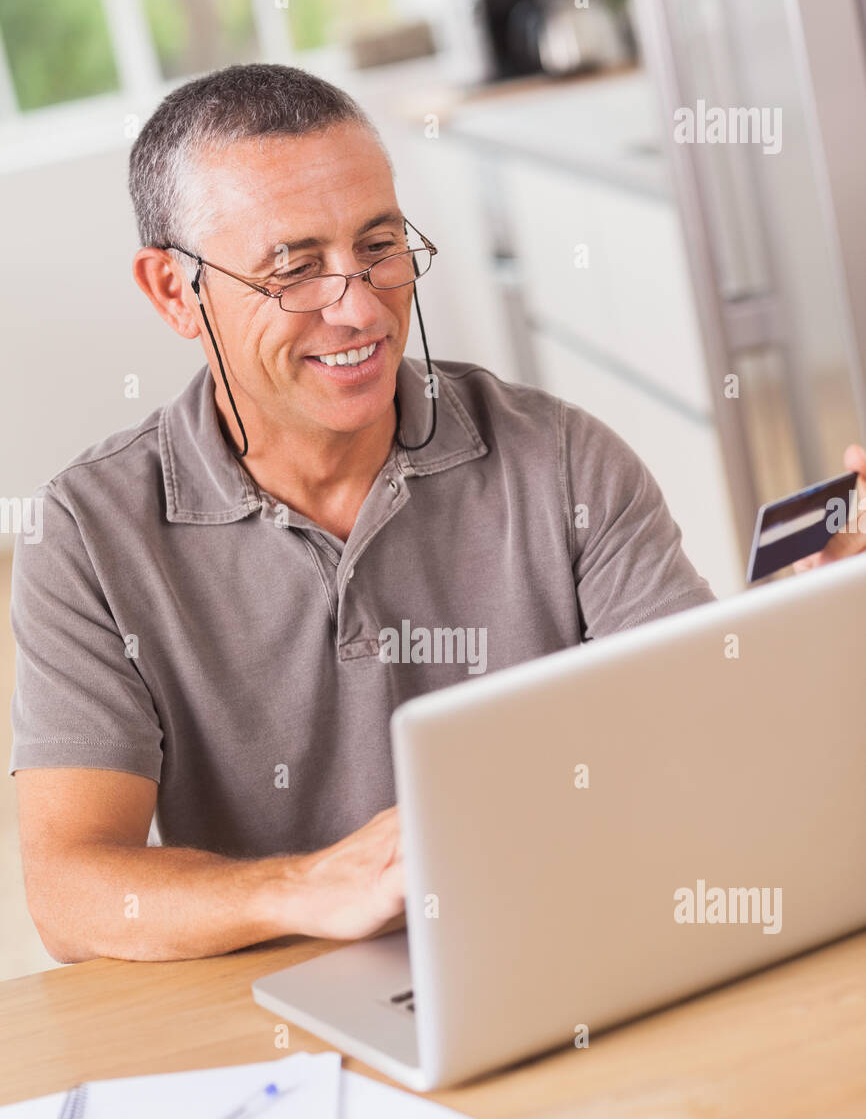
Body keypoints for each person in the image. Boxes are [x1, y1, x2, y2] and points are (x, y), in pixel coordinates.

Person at [10, 64, 866, 963]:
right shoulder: (87, 534)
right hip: (289, 998)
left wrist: (815, 636)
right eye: (295, 269)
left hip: (571, 947)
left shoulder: (563, 458)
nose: (358, 306)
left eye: (378, 246)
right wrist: (308, 887)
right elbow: (68, 893)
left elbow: (709, 750)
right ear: (173, 292)